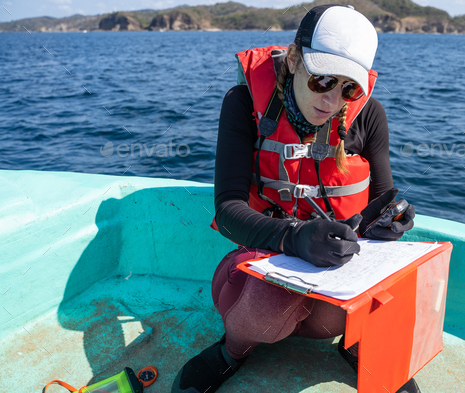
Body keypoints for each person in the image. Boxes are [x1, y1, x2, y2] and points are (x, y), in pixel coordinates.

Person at [172, 4, 417, 393]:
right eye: (323, 80)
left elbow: (382, 198)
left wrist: (393, 219)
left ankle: (357, 348)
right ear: (294, 58)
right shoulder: (242, 105)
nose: (332, 100)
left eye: (348, 88)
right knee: (271, 301)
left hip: (334, 283)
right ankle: (233, 350)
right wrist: (293, 237)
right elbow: (228, 208)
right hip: (258, 271)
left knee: (397, 288)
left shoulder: (370, 117)